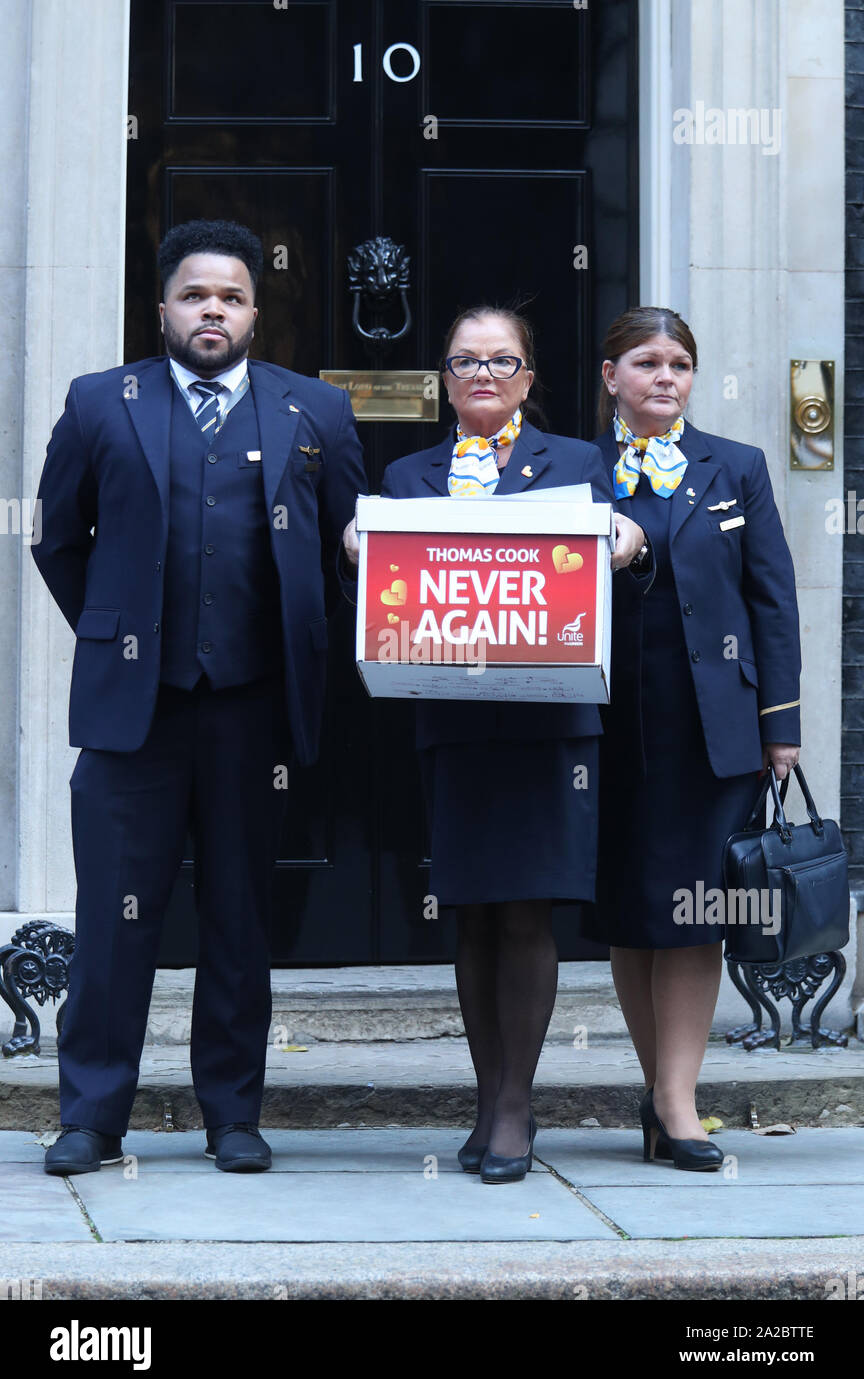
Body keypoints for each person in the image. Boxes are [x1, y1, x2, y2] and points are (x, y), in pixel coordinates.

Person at [32, 219, 366, 1176]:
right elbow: (58, 538)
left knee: (239, 915)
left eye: (230, 297)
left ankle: (233, 1116)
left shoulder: (316, 410)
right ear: (163, 308)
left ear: (256, 311)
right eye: (193, 295)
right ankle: (93, 1116)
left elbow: (351, 549)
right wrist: (117, 632)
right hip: (132, 711)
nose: (211, 310)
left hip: (253, 709)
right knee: (113, 918)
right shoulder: (101, 401)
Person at [377, 306, 646, 1182]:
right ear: (445, 380)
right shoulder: (408, 474)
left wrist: (630, 540)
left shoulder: (577, 463)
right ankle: (487, 1095)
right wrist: (355, 551)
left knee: (526, 910)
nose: (484, 375)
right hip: (455, 721)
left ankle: (515, 1109)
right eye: (466, 361)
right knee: (474, 910)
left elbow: (620, 553)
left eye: (502, 361)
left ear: (529, 377)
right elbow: (389, 590)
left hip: (548, 723)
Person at [585, 306, 801, 1171]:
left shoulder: (736, 467)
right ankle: (659, 1091)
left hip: (712, 726)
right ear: (612, 377)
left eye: (679, 363)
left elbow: (772, 598)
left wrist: (780, 725)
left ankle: (678, 1102)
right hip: (604, 723)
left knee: (696, 910)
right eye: (646, 362)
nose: (665, 377)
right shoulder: (572, 469)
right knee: (633, 910)